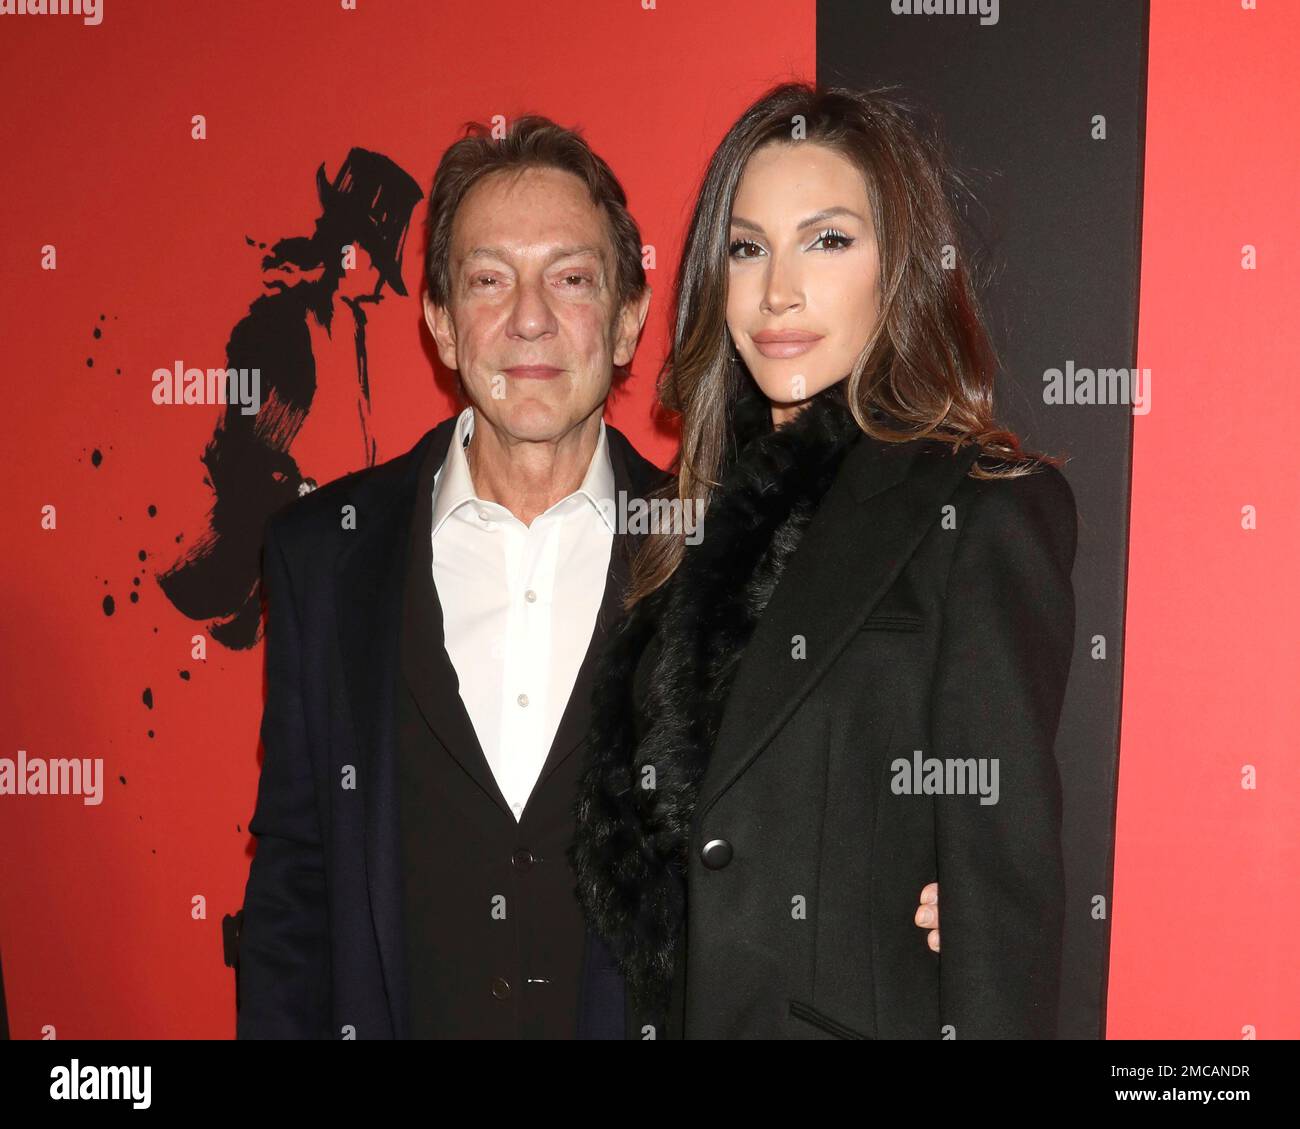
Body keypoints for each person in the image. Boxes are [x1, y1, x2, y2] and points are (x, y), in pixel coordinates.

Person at [235, 113, 944, 1040]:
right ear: (442, 325)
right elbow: (296, 876)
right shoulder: (323, 555)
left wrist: (930, 875)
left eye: (570, 279)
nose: (529, 318)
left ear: (625, 322)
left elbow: (794, 832)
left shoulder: (720, 551)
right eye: (490, 280)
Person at [571, 82, 1077, 1040]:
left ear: (903, 269)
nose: (779, 291)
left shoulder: (982, 510)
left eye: (829, 239)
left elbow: (999, 907)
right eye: (749, 246)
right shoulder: (686, 523)